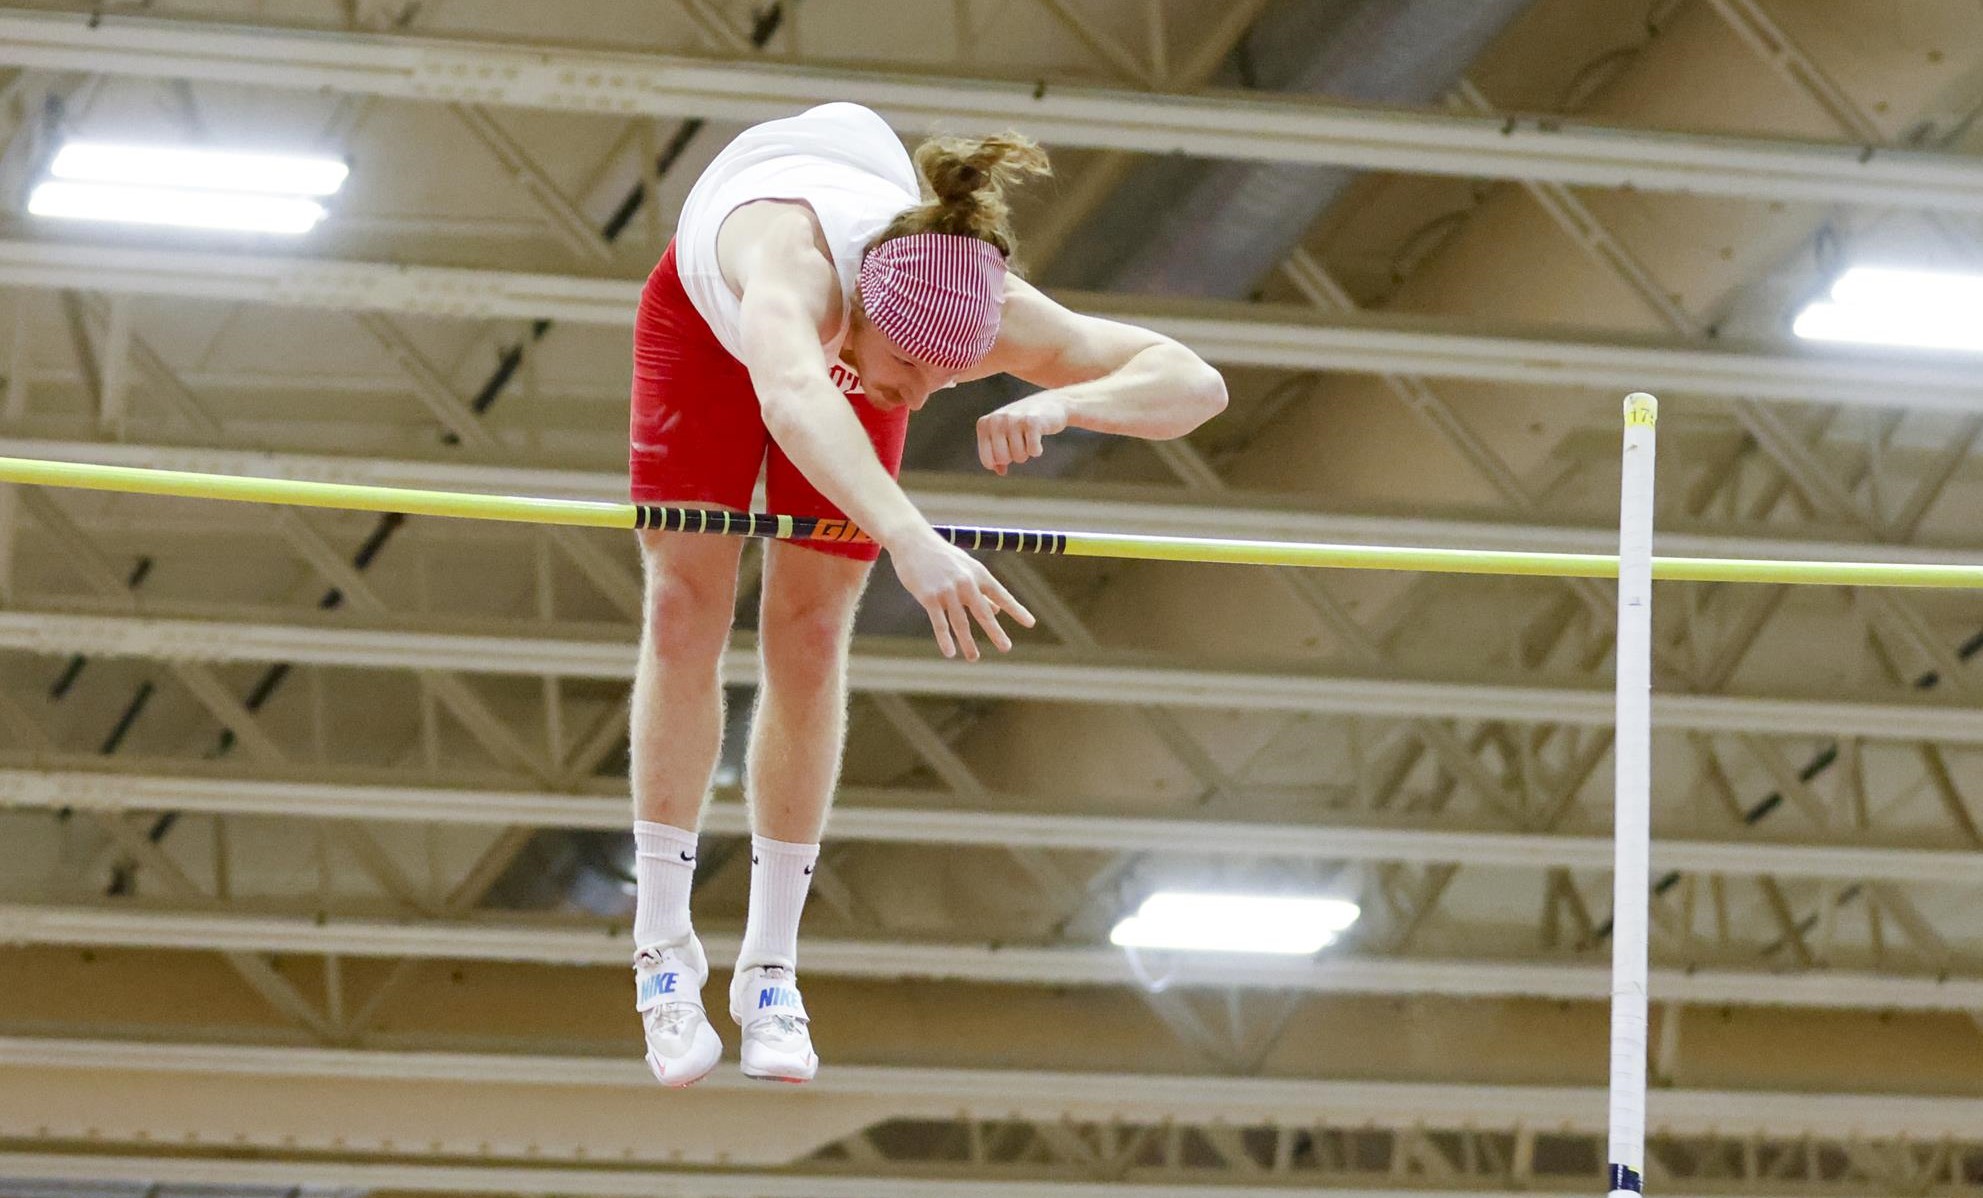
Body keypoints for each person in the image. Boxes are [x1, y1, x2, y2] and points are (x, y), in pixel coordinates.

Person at [626, 101, 1227, 1086]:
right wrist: (911, 537)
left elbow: (1192, 382)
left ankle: (770, 965)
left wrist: (1071, 400)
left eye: (952, 381)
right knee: (686, 607)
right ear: (861, 310)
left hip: (838, 364)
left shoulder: (965, 319)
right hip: (708, 324)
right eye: (909, 371)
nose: (921, 397)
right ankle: (663, 949)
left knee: (813, 633)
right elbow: (796, 397)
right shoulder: (793, 268)